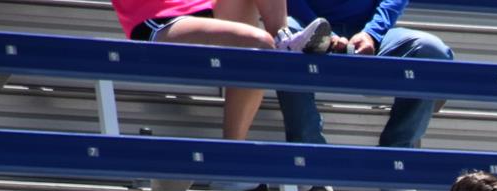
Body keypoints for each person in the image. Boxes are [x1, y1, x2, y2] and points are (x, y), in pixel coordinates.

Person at [276, 0, 453, 176]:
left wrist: (371, 33)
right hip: (308, 27)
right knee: (286, 38)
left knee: (432, 51)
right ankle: (310, 160)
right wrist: (320, 29)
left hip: (370, 32)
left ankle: (395, 160)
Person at [112, 1, 333, 141]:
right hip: (160, 22)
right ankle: (233, 156)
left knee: (263, 46)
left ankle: (284, 38)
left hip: (206, 10)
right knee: (259, 45)